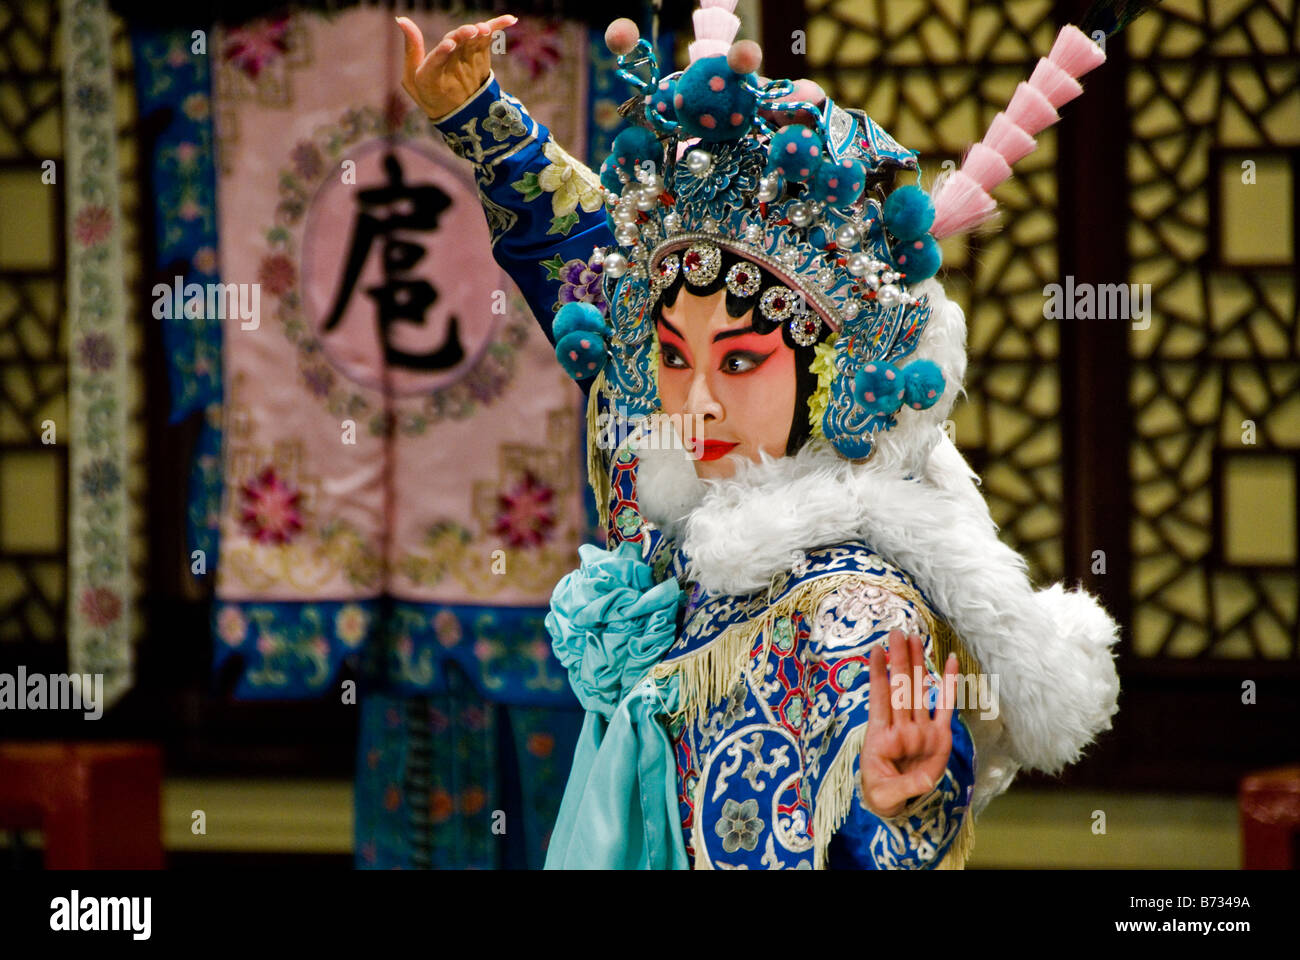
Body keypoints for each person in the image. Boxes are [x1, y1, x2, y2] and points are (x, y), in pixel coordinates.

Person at [396, 3, 1121, 869]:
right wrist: (478, 117)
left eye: (738, 364)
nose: (693, 400)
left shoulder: (855, 605)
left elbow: (888, 769)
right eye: (671, 356)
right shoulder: (684, 498)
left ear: (829, 378)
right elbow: (589, 260)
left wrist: (900, 803)